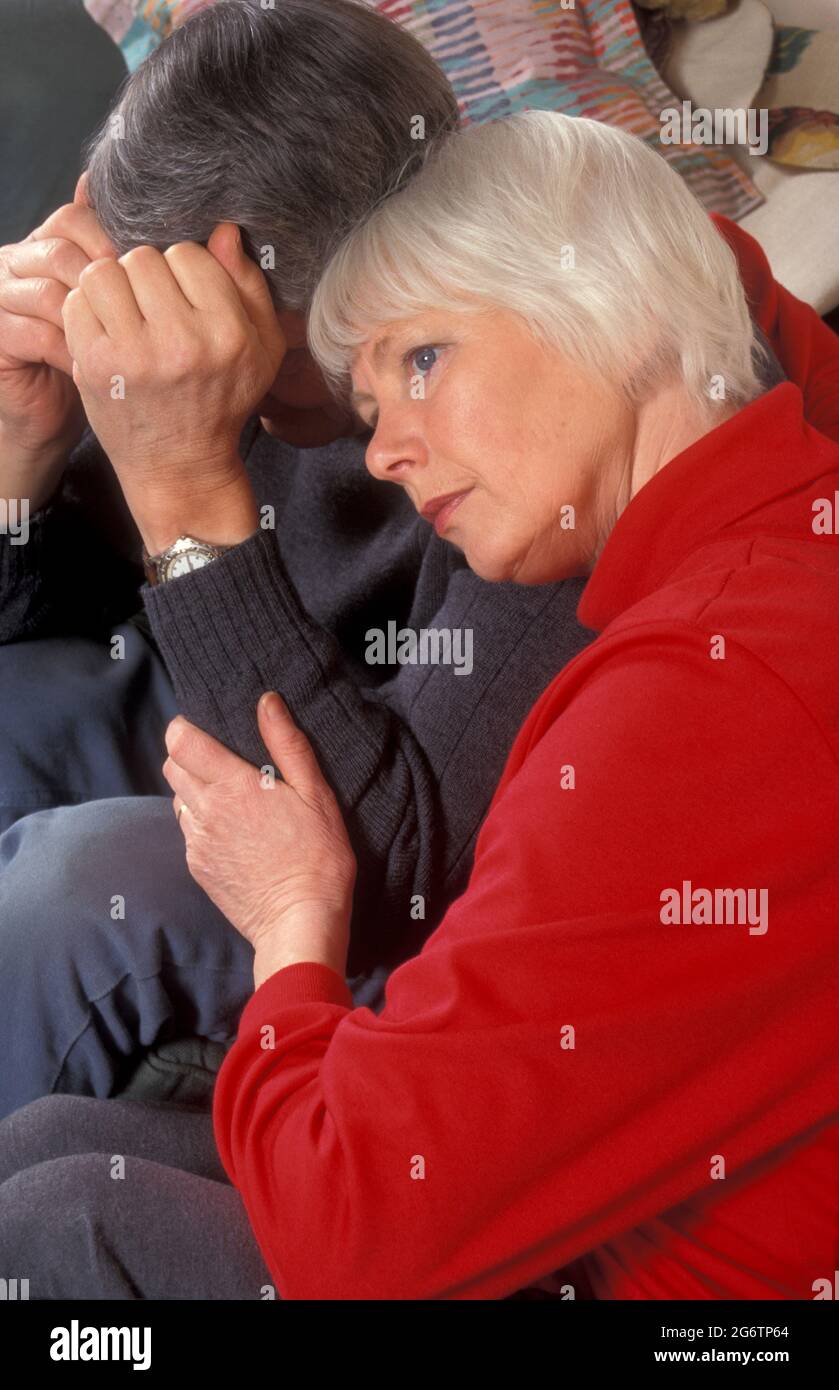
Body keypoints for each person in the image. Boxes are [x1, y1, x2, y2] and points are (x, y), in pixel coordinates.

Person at [2, 110, 838, 1301]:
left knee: (60, 1224)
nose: (380, 448)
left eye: (423, 363)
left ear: (609, 299)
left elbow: (354, 1232)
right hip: (578, 1169)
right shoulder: (709, 530)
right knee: (41, 1160)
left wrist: (294, 920)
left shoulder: (704, 691)